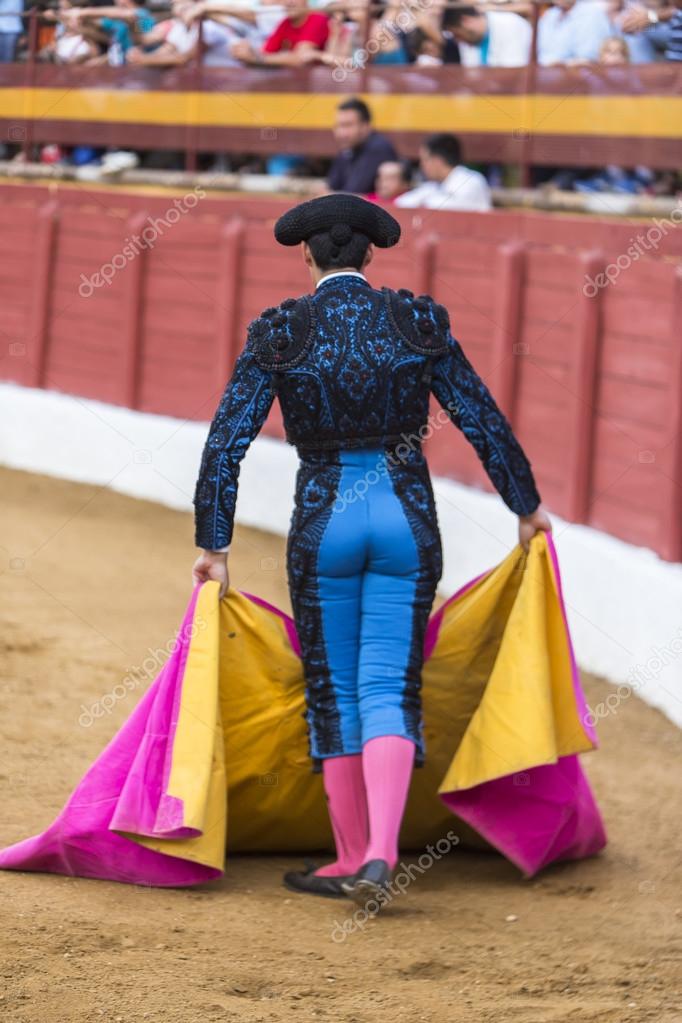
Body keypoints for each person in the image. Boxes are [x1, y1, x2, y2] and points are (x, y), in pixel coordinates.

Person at [191, 193, 551, 903]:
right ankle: (383, 856)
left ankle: (348, 856)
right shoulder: (416, 323)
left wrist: (215, 544)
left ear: (306, 254)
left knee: (334, 688)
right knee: (388, 685)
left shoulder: (282, 331)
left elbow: (225, 444)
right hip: (403, 516)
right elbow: (480, 417)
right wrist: (526, 504)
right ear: (369, 254)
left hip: (326, 519)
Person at [396, 133, 491, 213]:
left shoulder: (471, 181)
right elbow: (401, 203)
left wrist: (423, 203)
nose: (422, 165)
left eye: (425, 160)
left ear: (437, 161)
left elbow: (452, 209)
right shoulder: (434, 185)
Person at [327, 97, 398, 195]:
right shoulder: (348, 148)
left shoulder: (378, 149)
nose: (341, 133)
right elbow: (332, 185)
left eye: (348, 125)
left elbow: (353, 194)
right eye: (338, 126)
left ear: (365, 126)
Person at [230, 0, 329, 65]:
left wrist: (256, 58)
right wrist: (249, 52)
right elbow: (266, 52)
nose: (289, 2)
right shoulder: (285, 23)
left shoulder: (317, 19)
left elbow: (301, 58)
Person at [446, 5, 531, 67]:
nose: (457, 41)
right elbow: (470, 74)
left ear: (466, 21)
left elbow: (513, 71)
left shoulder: (510, 23)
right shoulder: (470, 38)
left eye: (457, 34)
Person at [537, 0, 612, 65]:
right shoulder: (550, 14)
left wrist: (560, 64)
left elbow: (589, 58)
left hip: (576, 74)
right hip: (542, 72)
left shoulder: (592, 13)